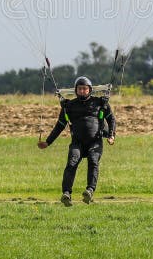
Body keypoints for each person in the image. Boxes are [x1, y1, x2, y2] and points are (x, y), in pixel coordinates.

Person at [38, 76, 116, 206]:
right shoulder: (69, 106)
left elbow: (111, 119)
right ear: (76, 90)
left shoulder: (100, 103)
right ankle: (66, 194)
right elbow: (60, 125)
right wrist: (48, 142)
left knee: (93, 161)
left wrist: (112, 135)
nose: (82, 91)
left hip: (95, 141)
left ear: (90, 90)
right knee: (71, 163)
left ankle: (89, 191)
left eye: (85, 89)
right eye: (80, 89)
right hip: (77, 143)